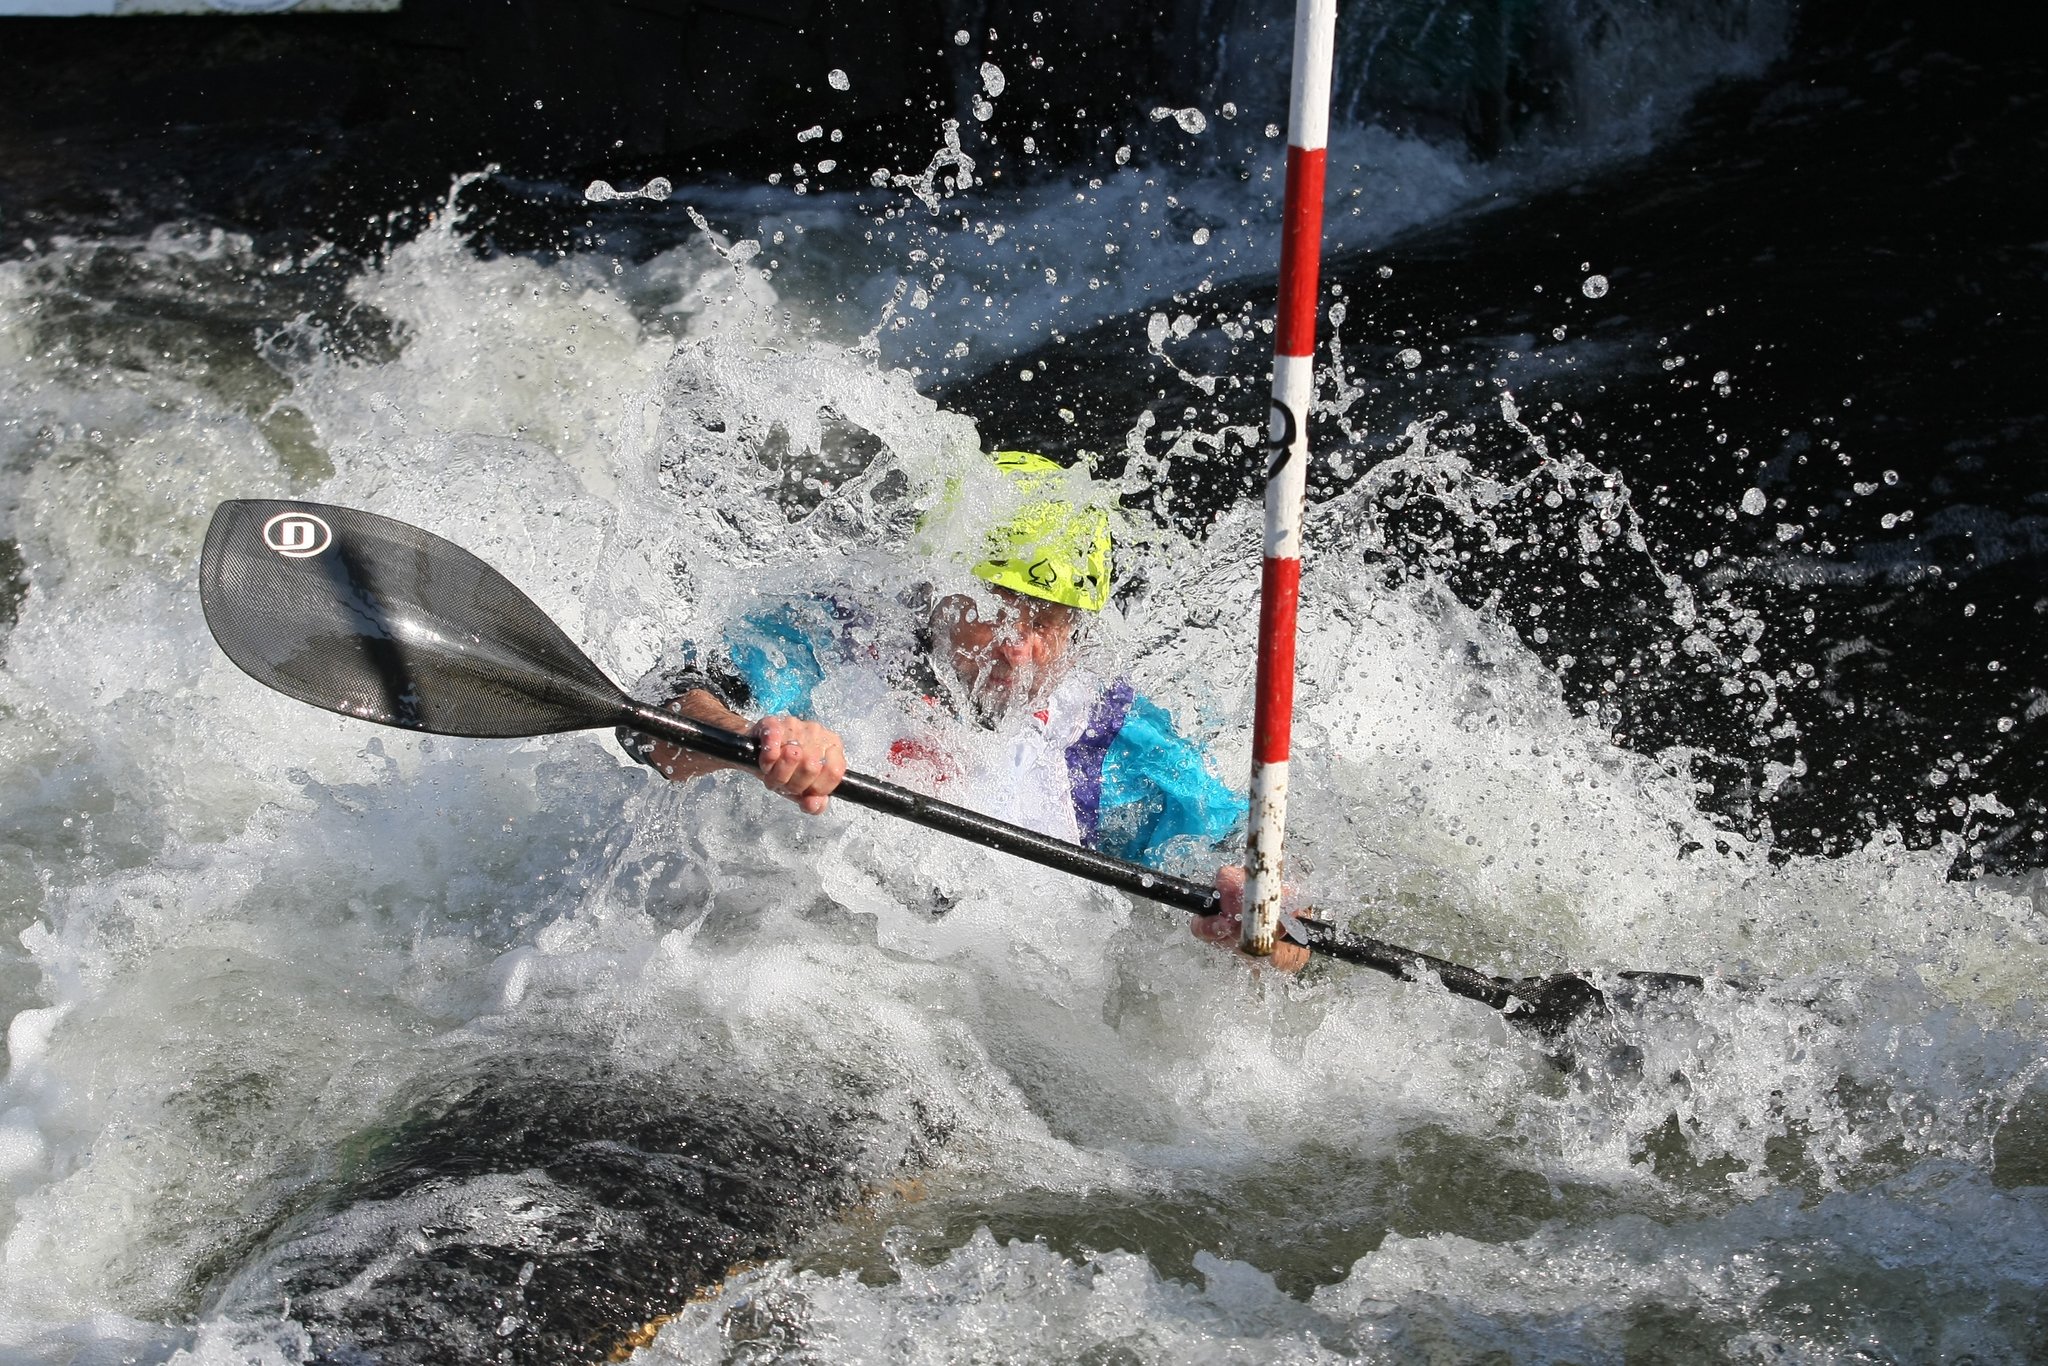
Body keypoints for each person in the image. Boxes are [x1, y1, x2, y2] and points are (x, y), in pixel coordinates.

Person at [619, 449, 1307, 969]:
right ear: (938, 593)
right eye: (1000, 612)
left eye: (1051, 622)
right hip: (752, 960)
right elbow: (653, 710)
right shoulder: (828, 640)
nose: (1024, 651)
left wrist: (1262, 909)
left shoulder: (1102, 735)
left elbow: (1243, 859)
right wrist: (750, 740)